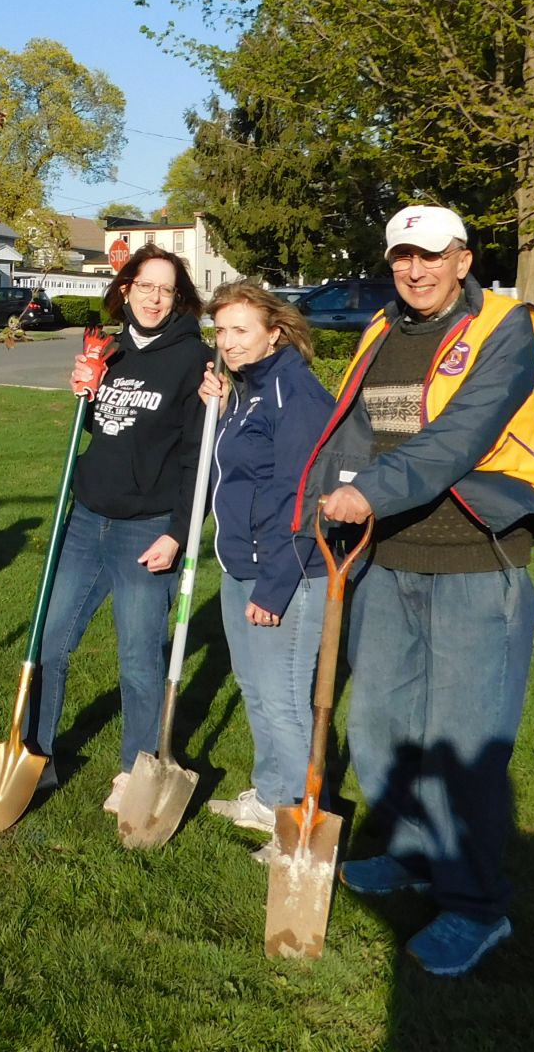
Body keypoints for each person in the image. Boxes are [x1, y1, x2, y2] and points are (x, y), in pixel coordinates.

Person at [302, 204, 534, 978]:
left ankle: (476, 906)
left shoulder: (506, 327)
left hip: (476, 562)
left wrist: (370, 491)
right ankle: (412, 852)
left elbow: (460, 436)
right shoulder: (382, 330)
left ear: (463, 259)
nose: (415, 269)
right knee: (382, 726)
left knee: (461, 743)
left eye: (430, 255)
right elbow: (354, 429)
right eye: (402, 256)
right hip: (387, 556)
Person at [30, 244, 213, 813]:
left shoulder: (196, 360)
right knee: (49, 642)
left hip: (147, 528)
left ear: (178, 298)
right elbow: (102, 427)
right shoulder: (107, 348)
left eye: (167, 290)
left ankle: (136, 769)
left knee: (138, 659)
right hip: (86, 521)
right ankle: (34, 756)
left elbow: (200, 458)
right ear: (127, 288)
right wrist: (83, 392)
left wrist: (179, 532)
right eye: (146, 286)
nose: (155, 298)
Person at [196, 280, 336, 850]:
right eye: (221, 331)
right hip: (242, 566)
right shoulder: (250, 389)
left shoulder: (294, 393)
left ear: (275, 332)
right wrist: (223, 409)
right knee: (255, 689)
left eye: (241, 330)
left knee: (284, 701)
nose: (228, 342)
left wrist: (274, 587)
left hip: (287, 573)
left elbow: (300, 498)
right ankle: (271, 795)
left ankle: (300, 827)